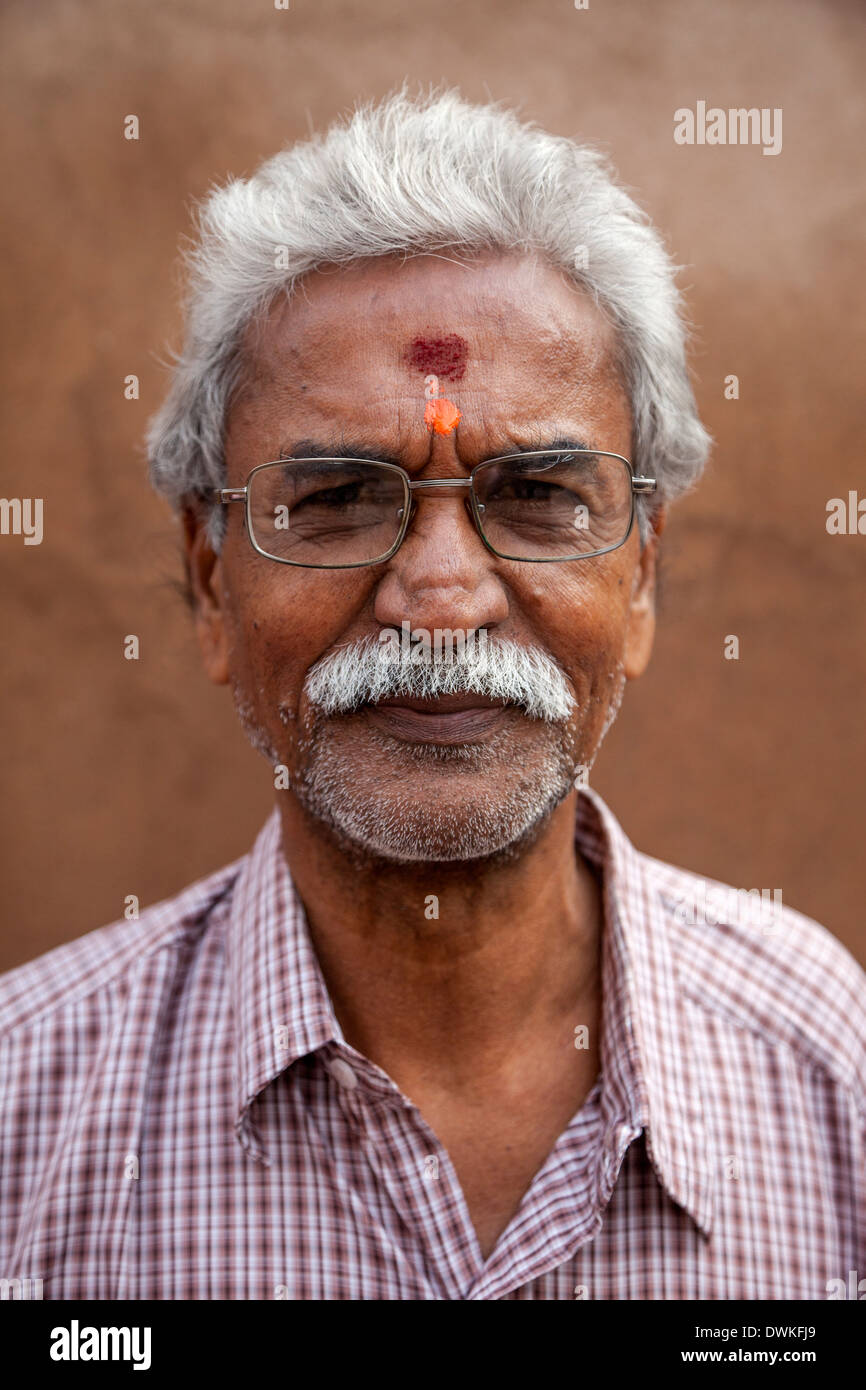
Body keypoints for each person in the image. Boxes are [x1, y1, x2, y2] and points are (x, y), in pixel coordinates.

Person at [1, 88, 863, 1301]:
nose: (441, 601)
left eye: (535, 497)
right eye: (340, 501)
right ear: (209, 583)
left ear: (642, 577)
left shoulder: (827, 1069)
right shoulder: (25, 1112)